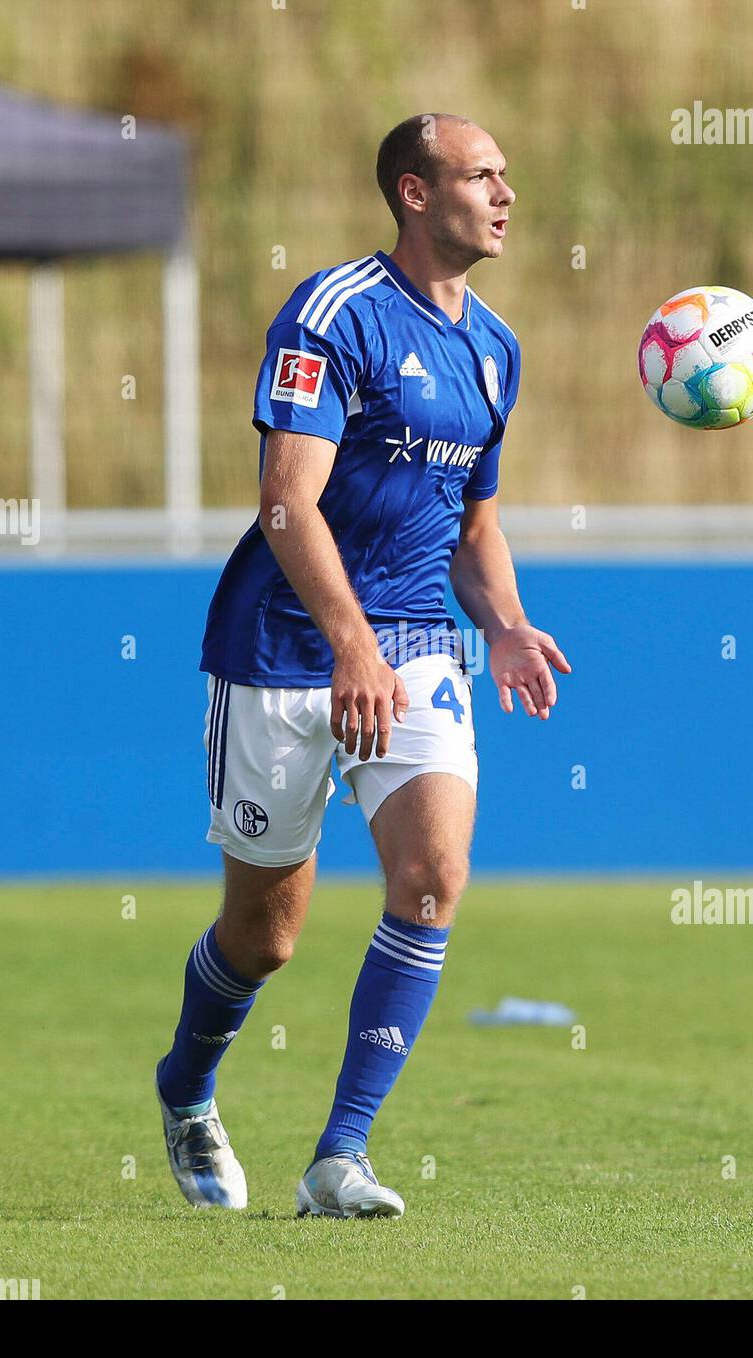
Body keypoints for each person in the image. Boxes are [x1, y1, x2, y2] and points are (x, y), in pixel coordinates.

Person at [156, 112, 570, 1217]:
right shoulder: (334, 315)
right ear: (414, 193)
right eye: (483, 174)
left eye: (506, 172)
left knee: (431, 880)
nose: (506, 193)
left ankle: (341, 1154)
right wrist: (348, 646)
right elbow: (287, 501)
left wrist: (507, 625)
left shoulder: (496, 348)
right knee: (266, 937)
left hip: (417, 645)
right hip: (281, 650)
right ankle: (189, 1088)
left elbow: (472, 521)